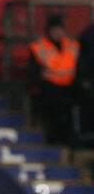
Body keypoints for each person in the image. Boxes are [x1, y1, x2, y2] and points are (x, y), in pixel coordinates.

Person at [28, 14, 80, 144]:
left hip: (70, 87)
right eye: (54, 29)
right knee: (54, 112)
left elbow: (80, 67)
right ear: (49, 31)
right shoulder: (39, 46)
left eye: (60, 29)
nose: (57, 32)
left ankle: (69, 141)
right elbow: (34, 71)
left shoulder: (73, 45)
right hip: (49, 87)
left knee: (70, 111)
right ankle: (54, 140)